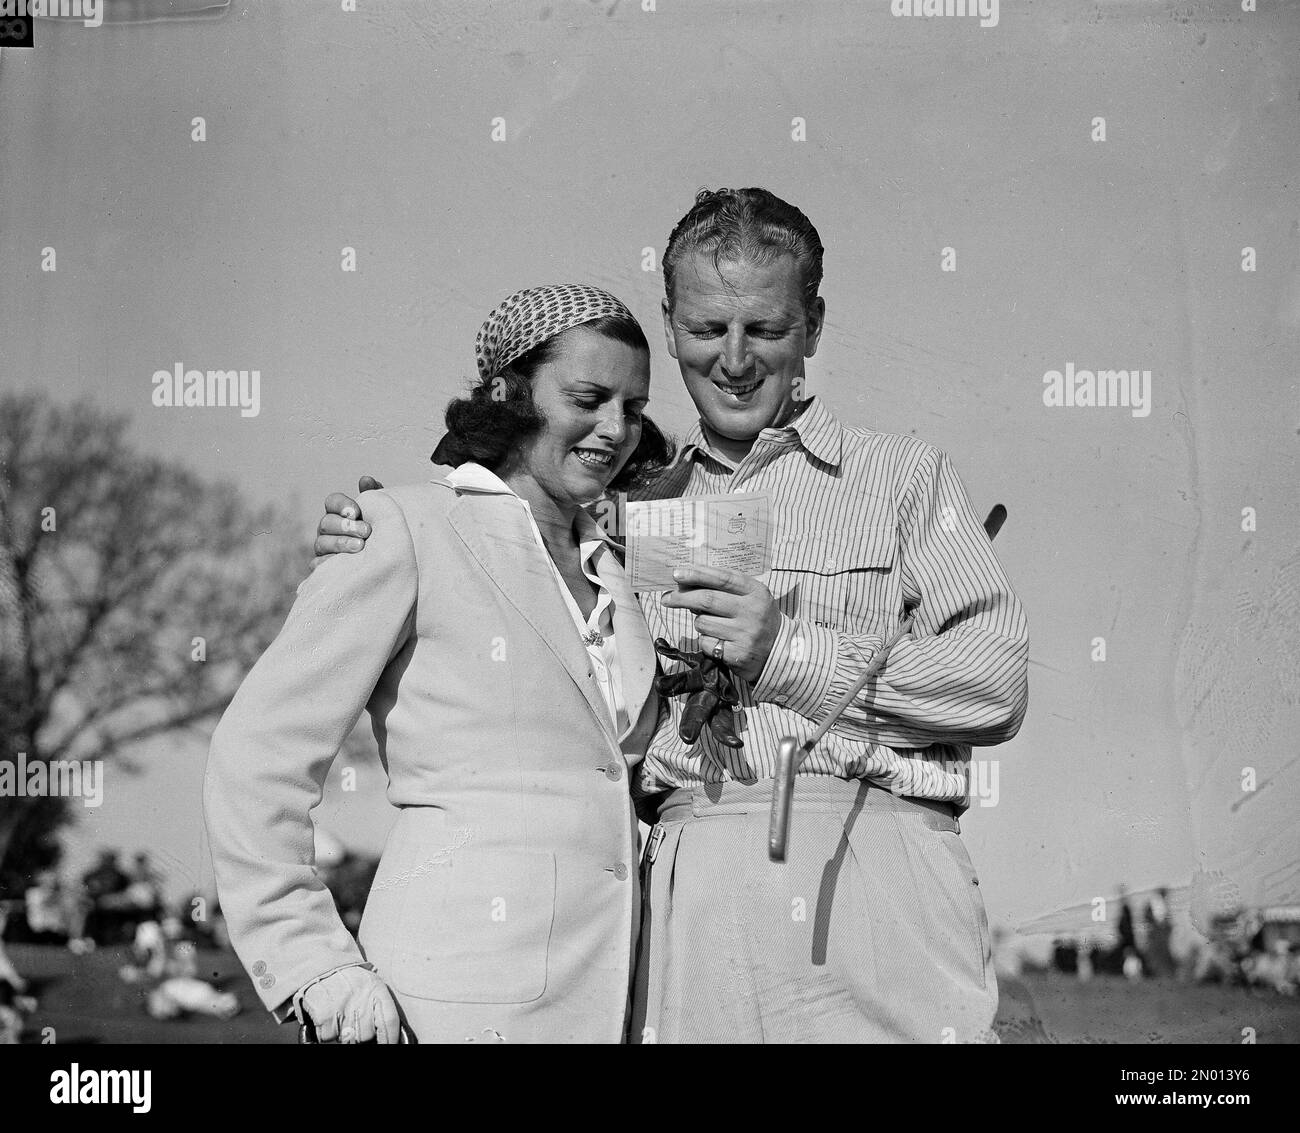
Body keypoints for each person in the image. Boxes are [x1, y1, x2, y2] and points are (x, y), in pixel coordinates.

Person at [316, 188, 1029, 1043]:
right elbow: (504, 549)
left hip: (873, 880)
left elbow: (997, 683)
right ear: (669, 323)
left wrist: (789, 652)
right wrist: (375, 530)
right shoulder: (623, 503)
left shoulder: (905, 478)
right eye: (704, 331)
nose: (733, 360)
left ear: (814, 326)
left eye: (765, 329)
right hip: (682, 909)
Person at [205, 284, 673, 1043]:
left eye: (635, 405)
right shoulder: (403, 528)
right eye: (589, 397)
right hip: (445, 1003)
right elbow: (256, 756)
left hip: (621, 1008)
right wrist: (315, 966)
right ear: (509, 392)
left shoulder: (628, 565)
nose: (616, 428)